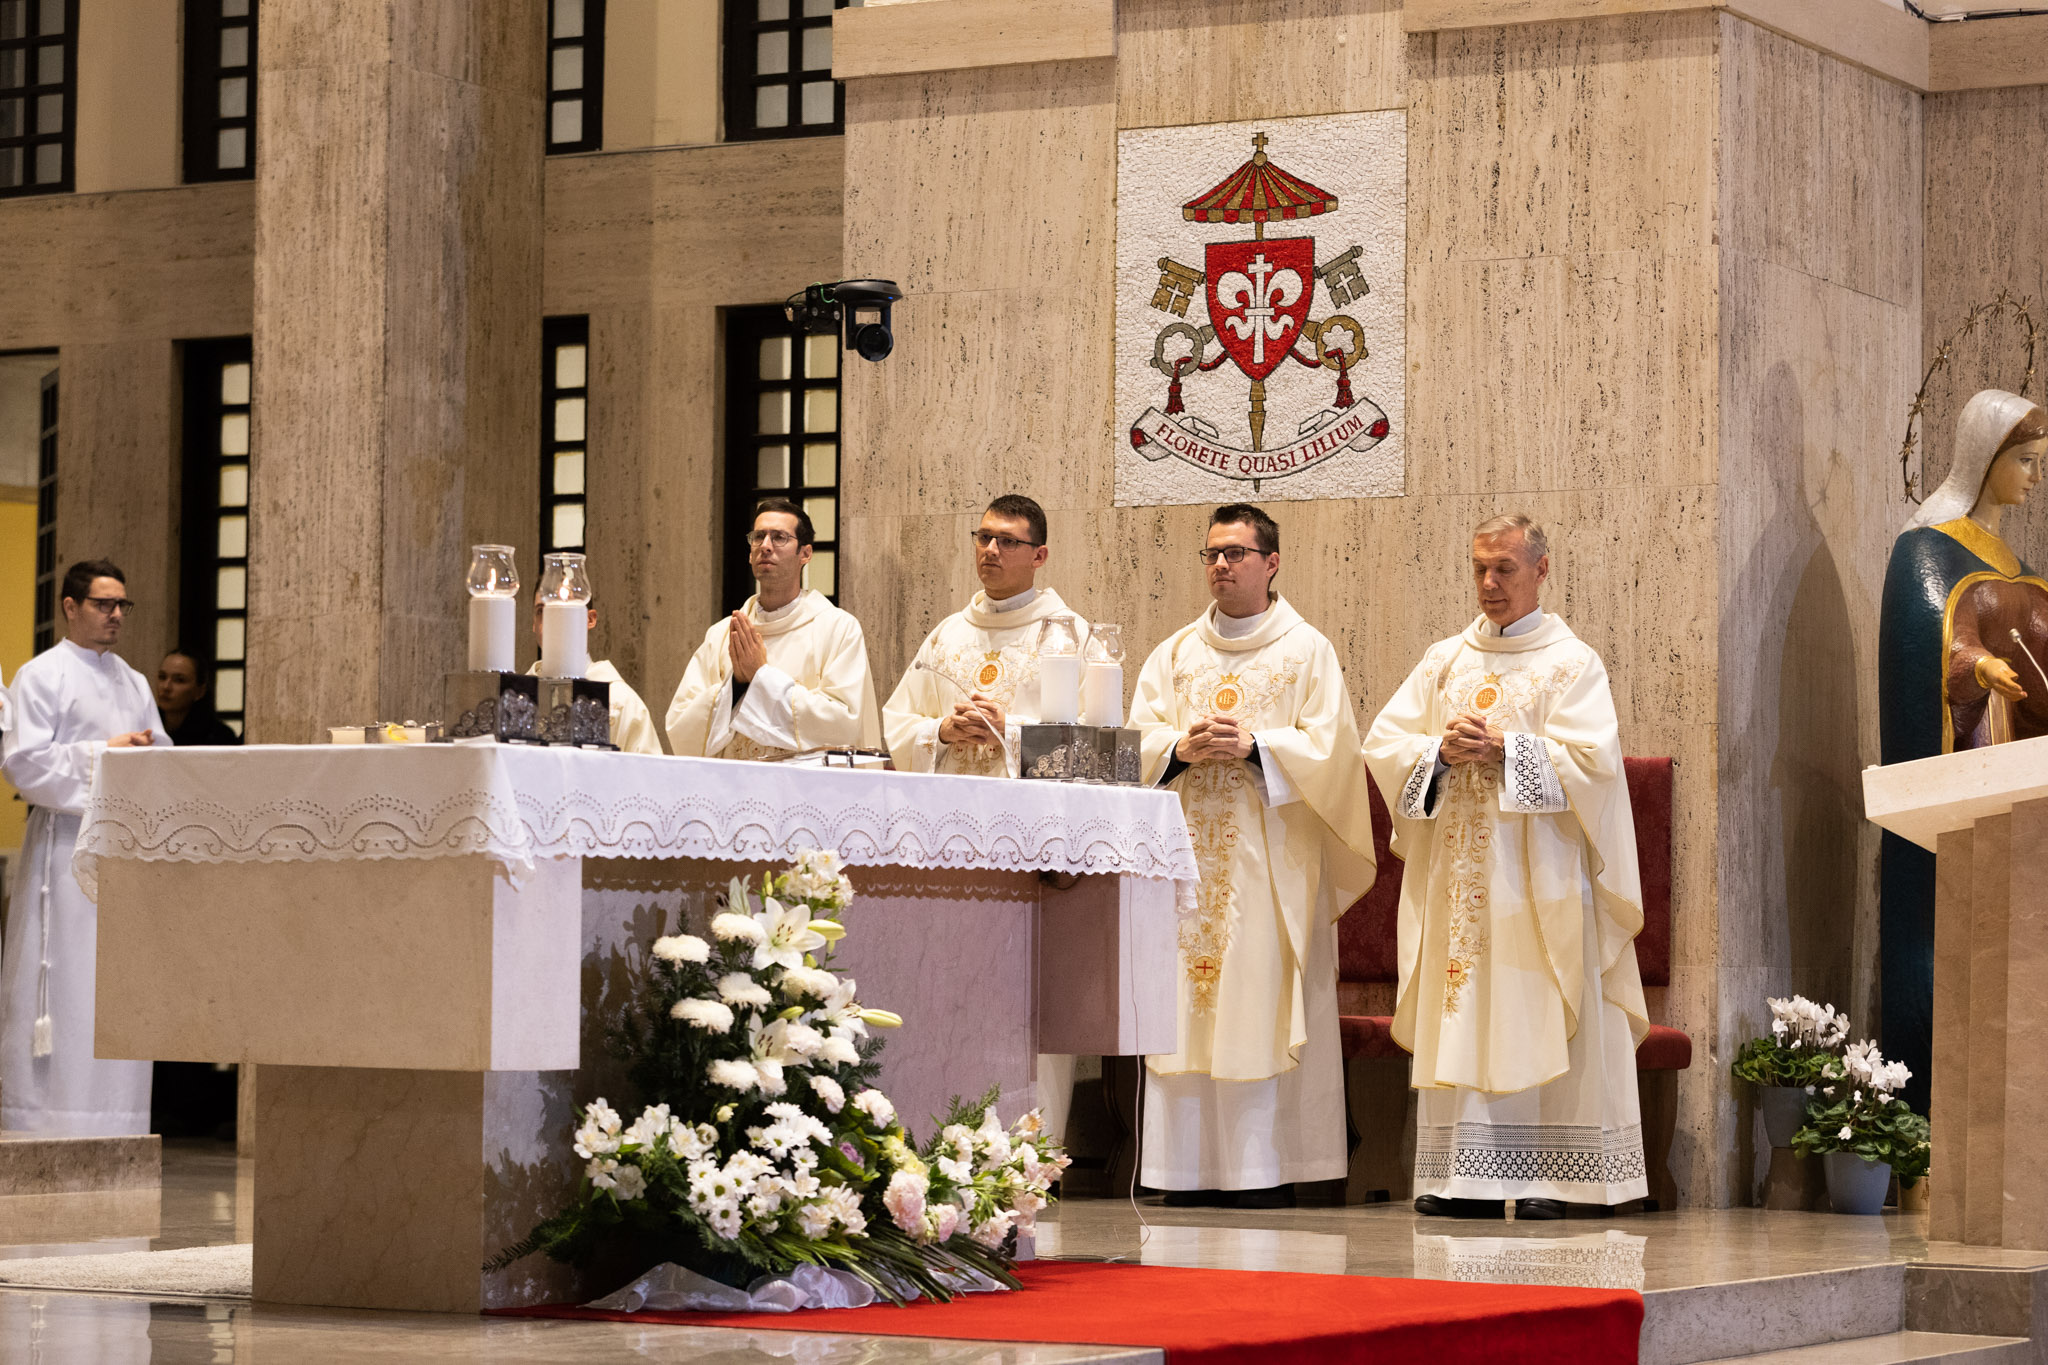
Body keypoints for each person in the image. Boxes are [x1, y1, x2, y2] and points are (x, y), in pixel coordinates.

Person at [1364, 515, 1649, 1219]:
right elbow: (1385, 743)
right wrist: (1439, 751)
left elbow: (1594, 766)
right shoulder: (1443, 662)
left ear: (1541, 570)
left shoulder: (1572, 663)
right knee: (1464, 1005)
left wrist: (1507, 748)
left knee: (1537, 1006)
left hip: (1541, 884)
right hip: (1459, 881)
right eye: (1480, 569)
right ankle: (1466, 1180)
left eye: (1505, 570)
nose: (1489, 585)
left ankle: (1552, 1177)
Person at [1129, 504, 1377, 1207]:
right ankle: (1182, 1170)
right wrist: (1178, 747)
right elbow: (1136, 739)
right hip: (1185, 869)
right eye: (1212, 553)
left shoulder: (1306, 651)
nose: (1221, 565)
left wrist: (1258, 747)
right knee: (1187, 1006)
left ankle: (1257, 1170)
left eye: (1236, 553)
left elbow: (1335, 752)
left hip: (1271, 870)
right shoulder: (1175, 654)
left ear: (1271, 563)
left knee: (1257, 1004)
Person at [1878, 389, 2048, 1116]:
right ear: (1986, 461)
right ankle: (1931, 1124)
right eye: (2026, 461)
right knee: (1947, 940)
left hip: (2019, 783)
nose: (2035, 477)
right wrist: (1977, 668)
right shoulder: (1925, 546)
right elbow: (1929, 634)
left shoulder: (2013, 559)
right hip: (1963, 777)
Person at [0, 559, 166, 1136]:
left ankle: (119, 1121)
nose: (116, 615)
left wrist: (143, 754)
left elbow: (162, 758)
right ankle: (48, 1122)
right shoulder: (41, 675)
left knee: (117, 990)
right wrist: (107, 752)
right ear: (70, 607)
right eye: (103, 604)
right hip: (65, 853)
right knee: (68, 989)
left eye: (123, 604)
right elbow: (23, 765)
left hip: (124, 855)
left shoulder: (136, 681)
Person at [882, 494, 1088, 778]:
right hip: (948, 806)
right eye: (984, 537)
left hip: (1027, 810)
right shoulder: (948, 633)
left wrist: (1009, 731)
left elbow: (1093, 741)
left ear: (1038, 556)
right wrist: (943, 731)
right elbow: (899, 721)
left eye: (1008, 541)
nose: (991, 550)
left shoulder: (1068, 634)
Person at [667, 497, 879, 759]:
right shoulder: (722, 634)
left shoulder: (838, 629)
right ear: (749, 552)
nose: (765, 546)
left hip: (804, 793)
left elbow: (843, 722)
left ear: (805, 553)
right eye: (758, 537)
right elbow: (680, 724)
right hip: (733, 788)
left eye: (779, 537)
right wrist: (736, 684)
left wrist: (760, 677)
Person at [526, 591, 664, 755]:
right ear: (534, 623)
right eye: (542, 611)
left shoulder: (620, 702)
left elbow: (645, 775)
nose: (551, 620)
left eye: (565, 608)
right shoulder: (520, 698)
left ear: (589, 619)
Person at [154, 651, 242, 747]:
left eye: (179, 680)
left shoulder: (218, 737)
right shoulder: (146, 727)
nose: (166, 687)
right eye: (162, 677)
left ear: (200, 691)